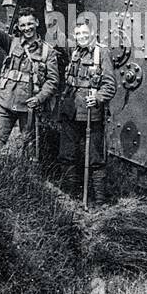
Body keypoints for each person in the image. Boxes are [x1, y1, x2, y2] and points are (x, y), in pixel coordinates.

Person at [0, 0, 57, 153]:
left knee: (29, 151)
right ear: (18, 26)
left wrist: (39, 98)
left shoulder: (47, 51)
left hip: (29, 107)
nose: (27, 28)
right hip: (5, 102)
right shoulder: (12, 42)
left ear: (37, 22)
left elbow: (52, 81)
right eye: (23, 25)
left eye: (30, 23)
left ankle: (25, 177)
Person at [57, 17, 116, 203]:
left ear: (93, 34)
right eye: (78, 34)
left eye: (85, 33)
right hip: (70, 111)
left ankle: (99, 200)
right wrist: (49, 5)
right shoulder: (73, 50)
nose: (81, 37)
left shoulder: (102, 53)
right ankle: (69, 196)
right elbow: (54, 32)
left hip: (92, 114)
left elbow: (110, 84)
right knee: (67, 154)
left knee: (95, 159)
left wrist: (98, 98)